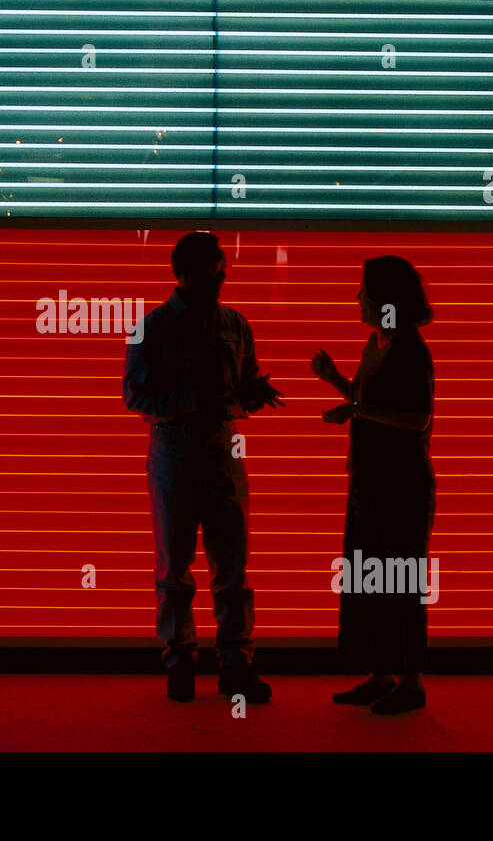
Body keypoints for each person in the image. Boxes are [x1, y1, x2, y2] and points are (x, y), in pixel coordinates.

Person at [124, 232, 284, 703]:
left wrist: (252, 394)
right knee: (176, 564)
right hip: (174, 452)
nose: (224, 275)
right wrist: (196, 402)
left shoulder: (236, 323)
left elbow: (246, 380)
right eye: (216, 268)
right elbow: (134, 395)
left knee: (231, 562)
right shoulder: (150, 327)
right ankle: (183, 660)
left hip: (223, 449)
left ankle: (234, 662)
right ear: (188, 273)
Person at [311, 255, 436, 715]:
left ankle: (410, 681)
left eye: (364, 290)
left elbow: (415, 417)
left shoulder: (410, 349)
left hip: (401, 486)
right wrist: (337, 382)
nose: (357, 298)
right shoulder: (376, 342)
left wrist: (355, 410)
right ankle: (383, 674)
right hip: (369, 483)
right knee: (372, 580)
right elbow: (370, 402)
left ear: (386, 298)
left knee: (400, 580)